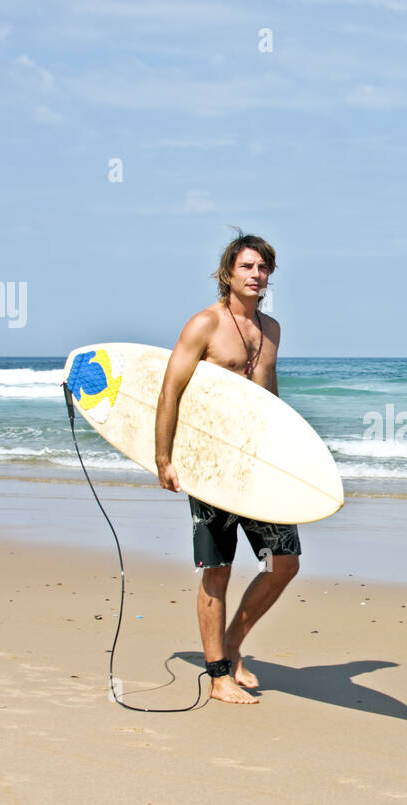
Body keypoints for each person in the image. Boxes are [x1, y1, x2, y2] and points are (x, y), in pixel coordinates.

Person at [154, 233, 299, 704]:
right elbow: (170, 391)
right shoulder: (204, 325)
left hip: (257, 463)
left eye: (263, 269)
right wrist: (163, 458)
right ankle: (218, 676)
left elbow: (269, 399)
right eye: (248, 267)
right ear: (227, 273)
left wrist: (285, 456)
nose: (257, 275)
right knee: (218, 568)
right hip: (209, 463)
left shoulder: (272, 328)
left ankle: (234, 643)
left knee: (284, 563)